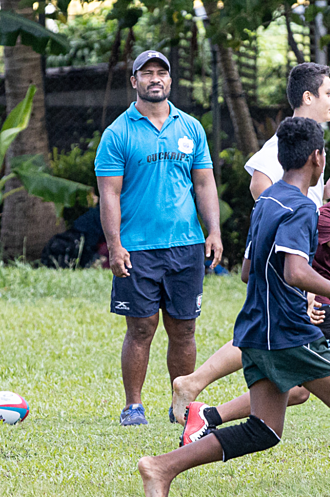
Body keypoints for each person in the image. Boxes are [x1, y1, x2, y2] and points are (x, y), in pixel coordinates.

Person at [138, 117, 330, 497]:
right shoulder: (302, 207)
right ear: (318, 159)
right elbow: (296, 271)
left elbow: (248, 271)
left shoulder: (267, 200)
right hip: (287, 333)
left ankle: (161, 467)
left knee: (263, 429)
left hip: (254, 329)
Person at [171, 62, 330, 441]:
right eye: (328, 93)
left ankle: (207, 414)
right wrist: (295, 226)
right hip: (297, 273)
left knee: (294, 387)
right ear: (308, 97)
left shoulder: (311, 145)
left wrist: (322, 200)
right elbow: (262, 189)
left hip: (304, 273)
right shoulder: (284, 143)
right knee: (326, 365)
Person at [180, 144, 330, 481]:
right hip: (314, 306)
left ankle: (208, 416)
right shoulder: (321, 215)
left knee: (296, 394)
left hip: (315, 305)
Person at [95, 50, 223, 426]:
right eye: (146, 73)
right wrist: (115, 245)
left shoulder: (191, 128)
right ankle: (133, 406)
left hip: (186, 245)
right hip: (138, 248)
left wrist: (213, 231)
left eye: (161, 73)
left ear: (170, 81)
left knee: (184, 328)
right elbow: (109, 195)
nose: (155, 79)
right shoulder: (118, 133)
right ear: (134, 81)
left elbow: (204, 183)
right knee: (140, 328)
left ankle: (180, 404)